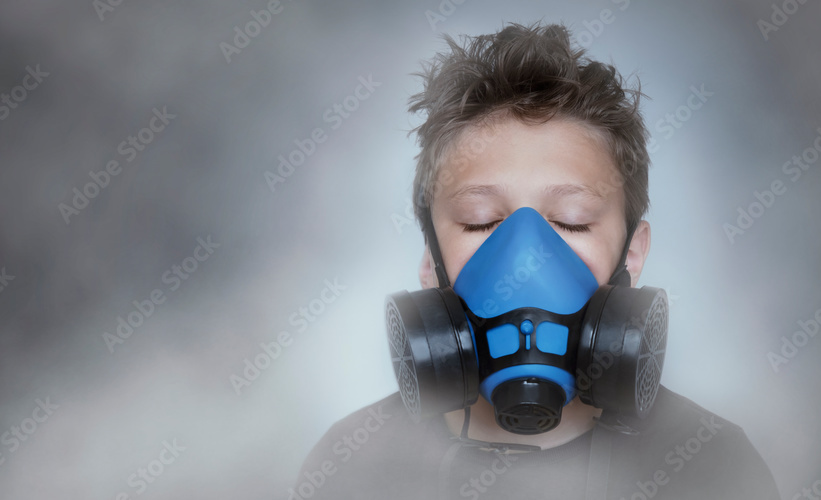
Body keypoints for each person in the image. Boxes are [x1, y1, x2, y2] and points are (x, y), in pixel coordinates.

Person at [292, 22, 779, 500]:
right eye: (480, 222)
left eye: (571, 221)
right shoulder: (350, 463)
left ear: (632, 251)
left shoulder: (711, 464)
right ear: (430, 259)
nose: (526, 261)